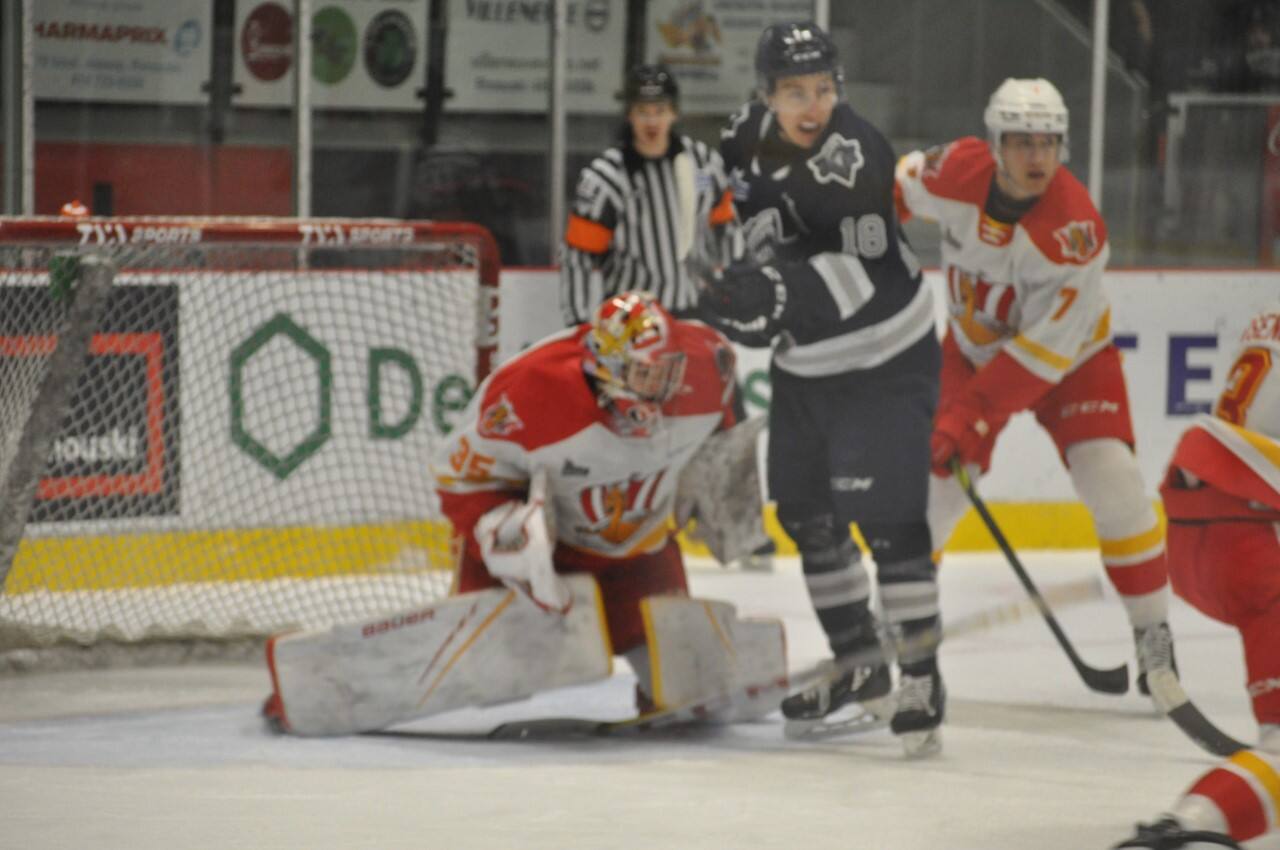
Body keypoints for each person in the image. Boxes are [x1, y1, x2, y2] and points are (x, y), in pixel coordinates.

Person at [699, 21, 943, 755]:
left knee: (890, 520)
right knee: (808, 517)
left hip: (883, 358)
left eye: (826, 89)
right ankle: (858, 667)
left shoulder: (857, 156)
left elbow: (861, 280)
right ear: (765, 95)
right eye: (797, 92)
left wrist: (773, 294)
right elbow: (726, 218)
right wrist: (725, 279)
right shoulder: (739, 137)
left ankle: (922, 679)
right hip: (807, 364)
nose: (815, 106)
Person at [894, 78, 1177, 697]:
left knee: (1115, 483)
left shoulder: (1075, 231)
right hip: (971, 353)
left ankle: (1154, 637)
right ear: (996, 144)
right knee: (927, 506)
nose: (1037, 157)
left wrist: (966, 417)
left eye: (1048, 142)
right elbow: (894, 187)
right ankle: (909, 653)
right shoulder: (953, 173)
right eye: (1022, 142)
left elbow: (1041, 355)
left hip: (1071, 362)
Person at [433, 291, 740, 708]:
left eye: (669, 372)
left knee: (694, 693)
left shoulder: (706, 364)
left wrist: (712, 479)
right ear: (607, 368)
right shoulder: (530, 392)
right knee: (489, 684)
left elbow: (721, 428)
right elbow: (459, 476)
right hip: (550, 567)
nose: (664, 390)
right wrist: (501, 531)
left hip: (640, 560)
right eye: (645, 376)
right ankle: (469, 640)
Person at [1113, 302, 1280, 849]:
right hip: (1256, 537)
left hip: (1197, 528)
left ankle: (1185, 823)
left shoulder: (1268, 315)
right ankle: (1193, 831)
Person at [559, 64, 736, 325]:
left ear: (673, 113)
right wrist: (579, 323)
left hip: (695, 316)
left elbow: (729, 232)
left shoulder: (704, 165)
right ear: (629, 114)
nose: (652, 121)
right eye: (643, 111)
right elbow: (579, 258)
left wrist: (740, 293)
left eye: (660, 111)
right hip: (630, 323)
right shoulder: (605, 179)